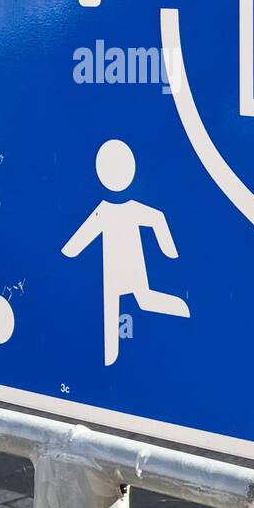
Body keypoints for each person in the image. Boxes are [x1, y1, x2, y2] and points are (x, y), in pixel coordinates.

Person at [61, 139, 189, 364]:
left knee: (130, 304)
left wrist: (170, 250)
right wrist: (169, 250)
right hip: (117, 271)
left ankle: (180, 310)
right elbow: (157, 219)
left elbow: (157, 219)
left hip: (125, 269)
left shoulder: (114, 211)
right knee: (125, 304)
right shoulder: (109, 211)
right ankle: (111, 356)